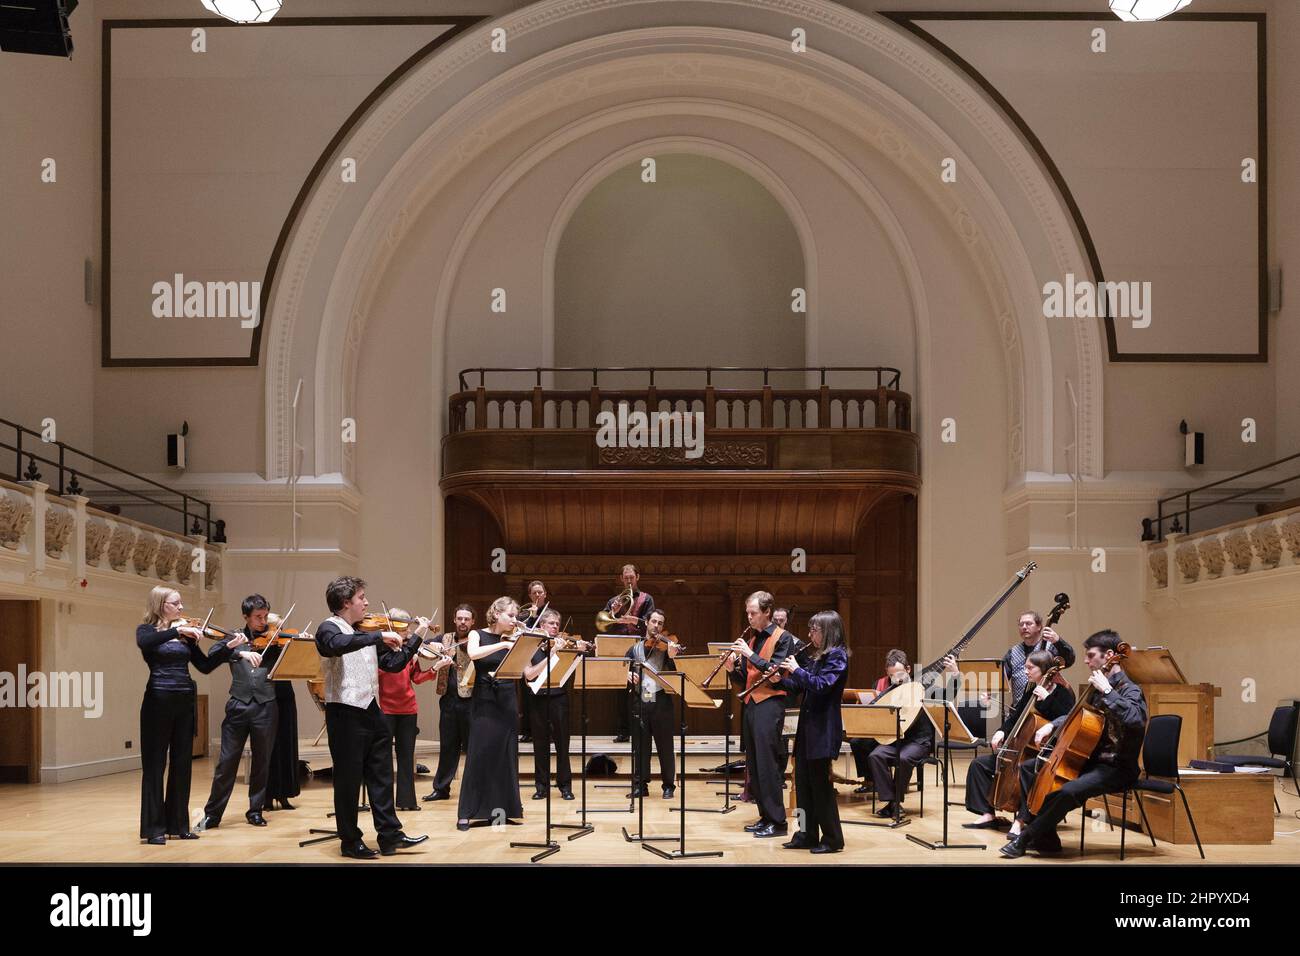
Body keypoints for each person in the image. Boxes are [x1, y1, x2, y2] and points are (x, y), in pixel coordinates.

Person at [1001, 629, 1147, 858]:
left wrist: (1108, 691)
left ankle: (1026, 837)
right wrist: (1052, 726)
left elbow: (1137, 720)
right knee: (1032, 768)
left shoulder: (1129, 689)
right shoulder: (1097, 689)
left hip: (1117, 767)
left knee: (1067, 791)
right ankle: (1047, 839)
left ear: (1109, 655)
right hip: (1091, 760)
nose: (1086, 661)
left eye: (1091, 656)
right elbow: (1075, 715)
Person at [314, 577, 429, 859]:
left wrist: (415, 639)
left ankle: (390, 837)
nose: (367, 602)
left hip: (372, 711)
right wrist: (378, 636)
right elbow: (337, 645)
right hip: (345, 713)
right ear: (345, 603)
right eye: (362, 597)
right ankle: (350, 842)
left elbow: (393, 664)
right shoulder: (329, 629)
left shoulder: (364, 631)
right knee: (348, 780)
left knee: (381, 776)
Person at [136, 586, 244, 844]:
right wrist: (177, 630)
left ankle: (178, 825)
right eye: (176, 603)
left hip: (185, 701)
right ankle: (153, 829)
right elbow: (146, 643)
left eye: (181, 603)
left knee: (182, 763)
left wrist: (228, 648)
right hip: (157, 701)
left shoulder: (187, 637)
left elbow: (204, 666)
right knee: (155, 765)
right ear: (161, 605)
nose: (181, 607)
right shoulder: (147, 631)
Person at [962, 649, 1075, 833]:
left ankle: (1025, 819)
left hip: (1047, 751)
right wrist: (1001, 732)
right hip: (1023, 748)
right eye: (1025, 667)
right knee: (979, 765)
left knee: (1027, 771)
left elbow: (1065, 719)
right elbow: (1016, 717)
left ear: (1044, 670)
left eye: (1030, 668)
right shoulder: (1030, 691)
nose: (1025, 671)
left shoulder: (1062, 693)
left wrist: (1047, 700)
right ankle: (987, 813)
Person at [196, 594, 283, 831]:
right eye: (258, 617)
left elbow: (293, 658)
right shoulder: (234, 637)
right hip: (238, 705)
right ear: (246, 616)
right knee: (226, 762)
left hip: (266, 706)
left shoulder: (275, 639)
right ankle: (212, 814)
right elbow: (213, 656)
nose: (263, 621)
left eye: (265, 616)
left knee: (262, 761)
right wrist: (236, 650)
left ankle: (255, 810)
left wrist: (299, 641)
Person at [778, 610, 848, 853]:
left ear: (827, 631)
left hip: (823, 731)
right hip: (807, 730)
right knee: (803, 786)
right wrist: (777, 679)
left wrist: (797, 669)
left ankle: (832, 839)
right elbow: (799, 686)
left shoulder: (837, 657)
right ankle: (806, 833)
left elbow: (821, 686)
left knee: (821, 788)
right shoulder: (818, 657)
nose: (809, 635)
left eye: (813, 630)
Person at [727, 590, 796, 838]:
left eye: (753, 613)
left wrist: (748, 654)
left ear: (767, 612)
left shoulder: (783, 638)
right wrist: (732, 668)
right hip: (751, 703)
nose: (749, 617)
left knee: (768, 765)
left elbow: (775, 674)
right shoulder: (755, 639)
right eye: (747, 613)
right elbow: (747, 679)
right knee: (754, 766)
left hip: (770, 704)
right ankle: (765, 816)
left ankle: (778, 822)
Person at [457, 596, 525, 831]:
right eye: (511, 615)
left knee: (505, 756)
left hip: (507, 699)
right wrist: (504, 644)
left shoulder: (515, 638)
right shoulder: (478, 634)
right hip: (485, 700)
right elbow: (474, 654)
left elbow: (526, 672)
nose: (515, 620)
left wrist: (531, 648)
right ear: (496, 614)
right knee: (479, 754)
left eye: (516, 616)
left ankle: (504, 811)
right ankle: (467, 812)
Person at [866, 649, 959, 818]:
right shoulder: (892, 690)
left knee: (903, 758)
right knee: (875, 756)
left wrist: (955, 675)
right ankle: (891, 800)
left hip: (919, 742)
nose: (897, 679)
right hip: (897, 740)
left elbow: (948, 697)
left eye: (900, 674)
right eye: (892, 676)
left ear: (908, 669)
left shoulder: (925, 687)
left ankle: (895, 803)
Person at [522, 608, 590, 800]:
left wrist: (578, 651)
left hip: (559, 697)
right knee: (540, 744)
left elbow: (571, 667)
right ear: (542, 625)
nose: (555, 627)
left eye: (557, 624)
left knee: (562, 744)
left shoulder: (563, 644)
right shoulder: (529, 645)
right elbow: (529, 674)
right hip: (537, 698)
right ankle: (541, 786)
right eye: (551, 623)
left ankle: (565, 786)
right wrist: (551, 655)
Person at [377, 608, 439, 811]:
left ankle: (406, 801)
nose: (407, 633)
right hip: (386, 709)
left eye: (408, 630)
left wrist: (434, 669)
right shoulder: (382, 651)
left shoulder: (409, 652)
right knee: (384, 759)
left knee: (406, 756)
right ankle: (385, 805)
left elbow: (417, 678)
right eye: (404, 629)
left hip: (408, 709)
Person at [623, 609, 680, 798]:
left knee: (665, 746)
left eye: (660, 623)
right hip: (640, 701)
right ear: (646, 622)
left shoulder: (667, 647)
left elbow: (676, 672)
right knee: (640, 746)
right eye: (654, 621)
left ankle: (668, 786)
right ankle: (640, 785)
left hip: (661, 700)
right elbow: (622, 669)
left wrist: (673, 657)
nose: (656, 626)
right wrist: (628, 675)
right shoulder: (634, 648)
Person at [424, 604, 474, 802]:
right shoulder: (444, 639)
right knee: (447, 747)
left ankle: (473, 789)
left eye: (466, 619)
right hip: (448, 700)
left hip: (470, 700)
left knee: (472, 747)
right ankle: (441, 788)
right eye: (459, 618)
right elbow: (422, 648)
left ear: (472, 622)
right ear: (454, 620)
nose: (463, 622)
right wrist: (432, 647)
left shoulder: (476, 639)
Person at [599, 564, 654, 742]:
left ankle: (647, 729)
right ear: (621, 579)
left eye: (632, 577)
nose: (629, 580)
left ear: (637, 577)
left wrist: (636, 620)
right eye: (626, 578)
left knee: (647, 689)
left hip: (642, 649)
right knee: (622, 693)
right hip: (621, 650)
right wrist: (613, 612)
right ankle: (623, 731)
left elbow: (653, 624)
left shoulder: (647, 599)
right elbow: (603, 625)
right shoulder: (613, 601)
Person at [1001, 611, 1074, 702]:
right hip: (1020, 707)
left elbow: (1069, 660)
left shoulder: (1050, 647)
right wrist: (989, 691)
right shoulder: (1013, 652)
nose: (1024, 627)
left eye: (1028, 624)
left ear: (1039, 626)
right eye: (1021, 624)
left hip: (1046, 706)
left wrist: (1058, 641)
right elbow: (1001, 678)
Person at [518, 580, 549, 743]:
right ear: (530, 595)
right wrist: (532, 616)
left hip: (545, 656)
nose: (537, 595)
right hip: (527, 658)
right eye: (534, 592)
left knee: (547, 696)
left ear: (545, 594)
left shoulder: (551, 613)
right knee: (527, 695)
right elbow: (522, 632)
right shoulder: (523, 614)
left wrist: (538, 616)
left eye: (540, 592)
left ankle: (547, 731)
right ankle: (527, 730)